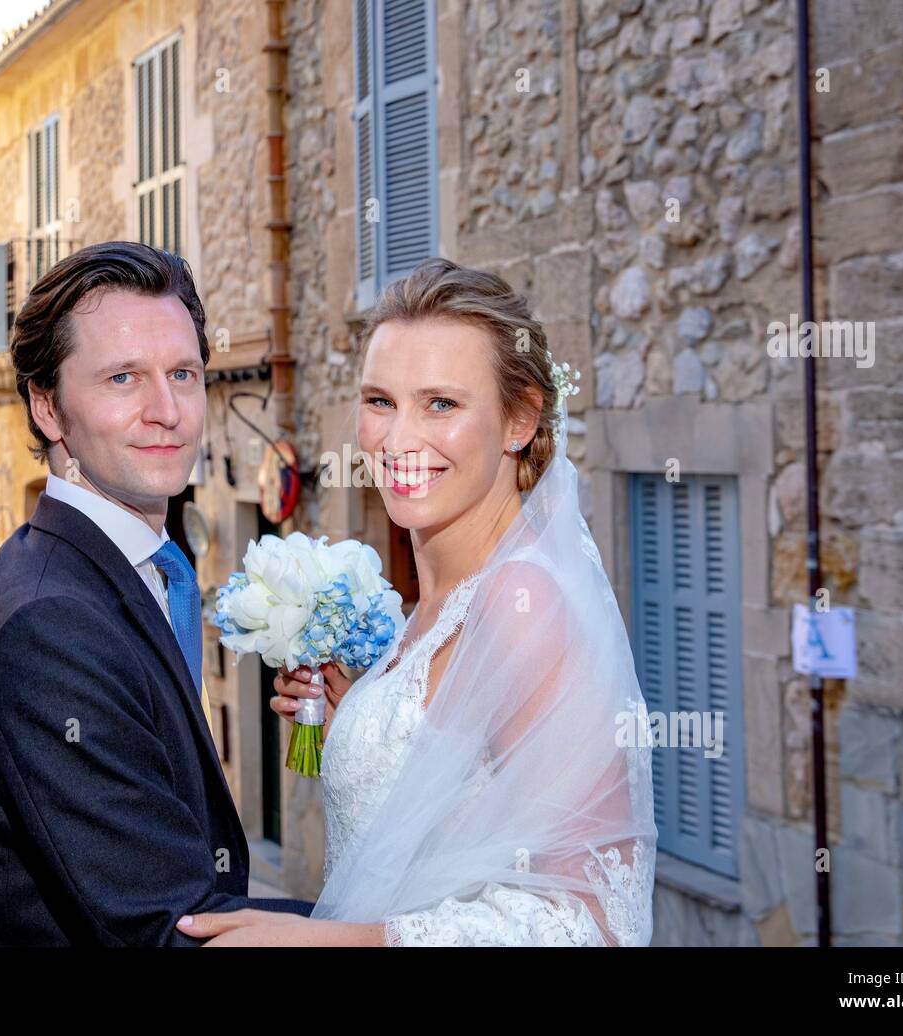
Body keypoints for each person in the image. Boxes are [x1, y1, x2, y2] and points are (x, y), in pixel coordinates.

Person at [178, 258, 657, 946]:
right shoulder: (430, 607)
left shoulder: (523, 602)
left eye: (441, 404)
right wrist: (358, 722)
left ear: (519, 419)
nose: (399, 441)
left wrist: (322, 943)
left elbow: (592, 923)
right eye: (380, 401)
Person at [0, 242, 314, 946]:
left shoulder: (36, 563)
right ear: (48, 407)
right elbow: (168, 928)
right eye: (123, 379)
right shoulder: (50, 623)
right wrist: (413, 932)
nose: (168, 410)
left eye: (183, 373)